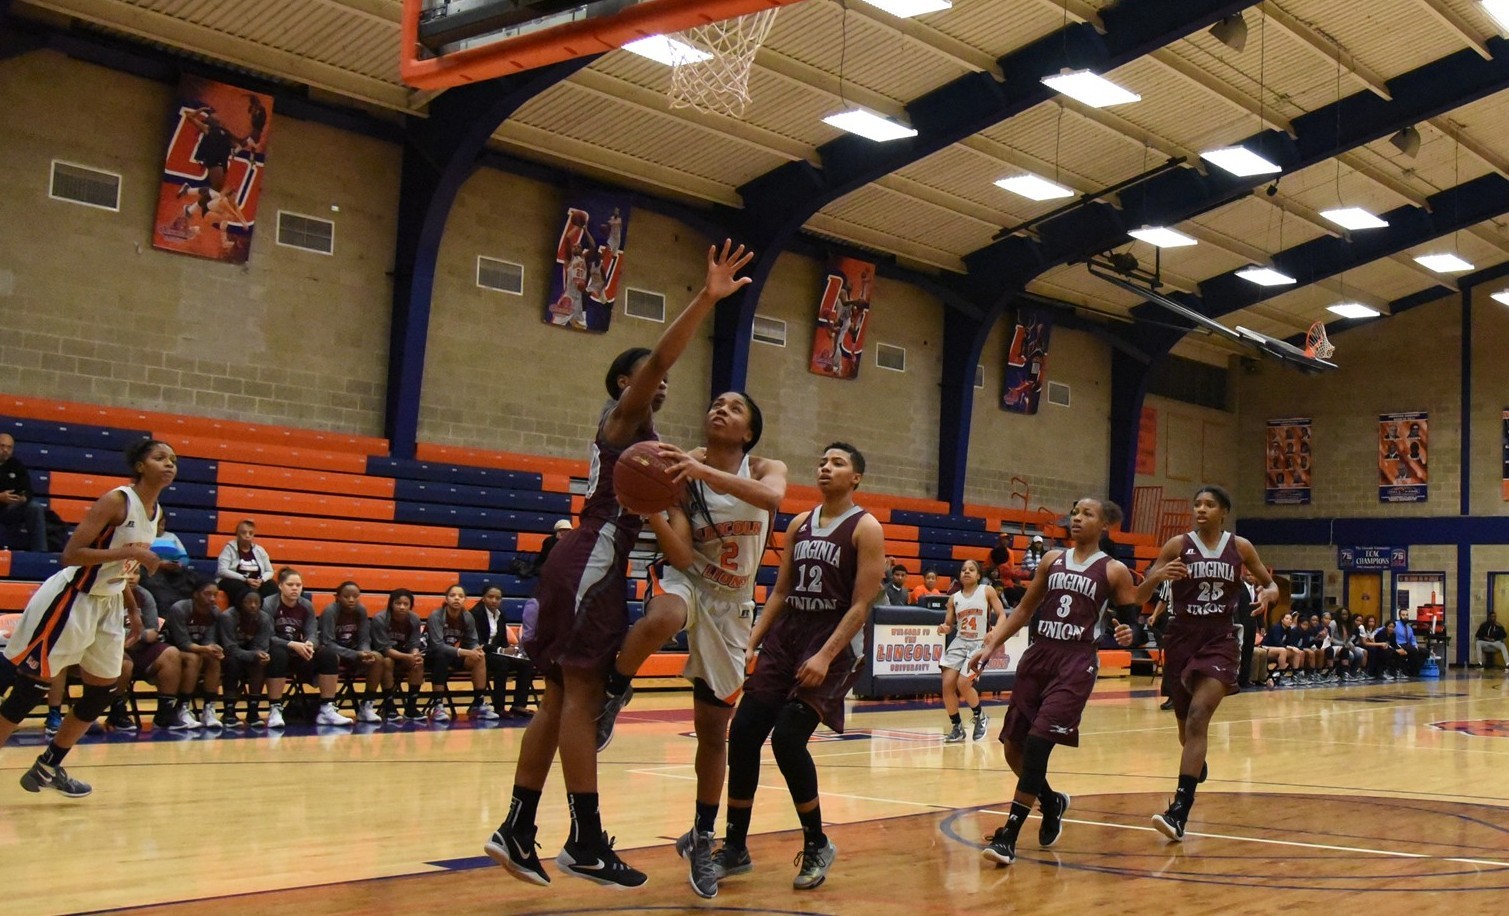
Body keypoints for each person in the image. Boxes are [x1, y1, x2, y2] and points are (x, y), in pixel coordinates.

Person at [485, 239, 754, 890]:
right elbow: (662, 355)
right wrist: (706, 298)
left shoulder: (649, 442)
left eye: (660, 384)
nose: (660, 384)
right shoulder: (623, 416)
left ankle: (518, 827)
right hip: (593, 558)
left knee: (556, 699)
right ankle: (582, 838)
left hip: (588, 560)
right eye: (648, 378)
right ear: (625, 384)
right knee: (580, 696)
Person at [607, 390, 785, 899]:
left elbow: (772, 499)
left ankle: (703, 836)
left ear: (748, 432)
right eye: (716, 403)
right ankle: (614, 689)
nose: (720, 409)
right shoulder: (681, 474)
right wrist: (654, 510)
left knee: (713, 735)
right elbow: (682, 554)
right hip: (692, 581)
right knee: (666, 612)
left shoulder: (767, 466)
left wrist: (699, 472)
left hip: (734, 606)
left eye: (734, 407)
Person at [712, 442, 884, 892]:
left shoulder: (866, 527)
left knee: (788, 739)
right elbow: (782, 592)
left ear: (856, 477)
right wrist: (751, 642)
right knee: (745, 732)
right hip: (787, 638)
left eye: (838, 463)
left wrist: (826, 654)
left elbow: (862, 603)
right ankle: (734, 847)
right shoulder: (798, 524)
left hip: (833, 643)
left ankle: (816, 843)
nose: (826, 468)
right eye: (823, 461)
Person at [0, 438, 175, 796]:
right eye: (160, 458)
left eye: (173, 459)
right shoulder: (117, 501)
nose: (170, 464)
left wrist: (133, 608)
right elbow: (71, 554)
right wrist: (128, 552)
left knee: (103, 691)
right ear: (141, 465)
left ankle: (48, 765)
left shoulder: (156, 512)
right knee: (30, 689)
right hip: (72, 597)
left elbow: (120, 567)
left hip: (108, 603)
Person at [969, 497, 1137, 867]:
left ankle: (1009, 835)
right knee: (1013, 749)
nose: (1076, 519)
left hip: (1075, 662)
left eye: (1086, 514)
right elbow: (1026, 608)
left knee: (1036, 745)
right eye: (1074, 513)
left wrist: (1130, 633)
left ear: (1104, 524)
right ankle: (1050, 801)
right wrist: (991, 643)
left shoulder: (1114, 571)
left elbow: (1133, 622)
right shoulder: (1051, 560)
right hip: (1039, 656)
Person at [1136, 485, 1277, 842]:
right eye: (1197, 504)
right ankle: (1195, 763)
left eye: (1209, 505)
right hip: (1181, 637)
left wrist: (1269, 594)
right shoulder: (1176, 545)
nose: (1201, 509)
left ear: (1223, 512)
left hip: (1220, 639)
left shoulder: (1240, 547)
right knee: (1186, 731)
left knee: (1199, 716)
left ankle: (1179, 811)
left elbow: (1270, 584)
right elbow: (1139, 592)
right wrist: (1159, 576)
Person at [262, 567, 349, 728]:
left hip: (300, 652)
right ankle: (275, 709)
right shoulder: (269, 603)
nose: (295, 588)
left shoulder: (306, 605)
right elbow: (266, 637)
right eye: (290, 584)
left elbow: (312, 633)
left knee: (328, 654)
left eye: (298, 585)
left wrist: (310, 644)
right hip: (277, 651)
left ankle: (326, 708)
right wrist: (292, 644)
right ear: (280, 586)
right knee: (278, 654)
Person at [937, 559, 1001, 743]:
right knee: (947, 685)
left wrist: (995, 631)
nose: (967, 572)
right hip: (959, 642)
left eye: (971, 569)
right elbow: (949, 624)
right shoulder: (953, 598)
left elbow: (1003, 615)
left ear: (979, 575)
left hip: (979, 644)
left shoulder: (987, 591)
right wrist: (944, 628)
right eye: (963, 569)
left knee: (963, 683)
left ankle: (980, 716)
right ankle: (957, 727)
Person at [427, 584, 496, 723]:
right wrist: (465, 652)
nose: (456, 599)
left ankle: (478, 703)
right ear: (446, 599)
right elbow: (437, 645)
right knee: (441, 657)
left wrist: (476, 649)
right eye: (452, 596)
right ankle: (438, 705)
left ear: (465, 599)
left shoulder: (467, 617)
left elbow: (472, 640)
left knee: (479, 658)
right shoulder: (436, 615)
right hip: (432, 655)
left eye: (460, 596)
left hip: (455, 654)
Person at [164, 576, 227, 728]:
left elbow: (209, 640)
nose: (212, 598)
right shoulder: (180, 608)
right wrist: (205, 649)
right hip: (172, 649)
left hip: (198, 649)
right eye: (207, 594)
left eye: (215, 595)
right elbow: (182, 643)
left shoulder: (215, 612)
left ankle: (209, 709)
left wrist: (214, 648)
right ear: (195, 594)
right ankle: (182, 707)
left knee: (214, 658)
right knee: (194, 658)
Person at [320, 581, 384, 724]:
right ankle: (328, 706)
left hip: (353, 653)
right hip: (334, 655)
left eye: (355, 596)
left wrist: (365, 652)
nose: (351, 600)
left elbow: (364, 638)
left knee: (378, 658)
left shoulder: (360, 610)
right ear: (337, 597)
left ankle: (367, 706)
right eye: (346, 596)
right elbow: (327, 643)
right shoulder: (330, 611)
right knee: (331, 656)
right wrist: (356, 654)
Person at [472, 585, 536, 718]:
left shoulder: (501, 615)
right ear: (483, 598)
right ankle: (499, 707)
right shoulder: (475, 614)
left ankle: (519, 705)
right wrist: (501, 650)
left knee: (526, 663)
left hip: (496, 653)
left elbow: (502, 640)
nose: (494, 600)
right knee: (502, 663)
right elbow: (477, 642)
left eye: (497, 598)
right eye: (490, 597)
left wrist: (511, 650)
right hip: (480, 654)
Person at [219, 589, 272, 727]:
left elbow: (261, 645)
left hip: (250, 653)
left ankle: (253, 711)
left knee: (260, 663)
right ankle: (229, 712)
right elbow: (230, 648)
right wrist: (253, 654)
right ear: (240, 604)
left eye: (257, 602)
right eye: (249, 602)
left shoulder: (264, 618)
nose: (253, 605)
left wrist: (261, 655)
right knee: (232, 663)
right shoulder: (228, 616)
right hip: (227, 654)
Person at [372, 588, 426, 721]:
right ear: (391, 604)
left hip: (404, 655)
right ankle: (389, 707)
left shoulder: (414, 619)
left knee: (418, 663)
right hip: (382, 657)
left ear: (410, 606)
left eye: (406, 604)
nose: (402, 607)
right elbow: (385, 649)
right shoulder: (380, 618)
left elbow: (414, 644)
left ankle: (411, 708)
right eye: (398, 603)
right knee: (388, 661)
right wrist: (408, 657)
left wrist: (414, 656)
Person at [0, 433, 50, 552]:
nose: (5, 450)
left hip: (10, 509)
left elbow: (28, 490)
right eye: (2, 446)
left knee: (34, 507)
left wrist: (23, 498)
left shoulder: (16, 465)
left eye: (9, 447)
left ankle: (40, 553)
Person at [217, 519, 275, 608]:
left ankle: (265, 613)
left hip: (256, 581)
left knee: (271, 585)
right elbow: (222, 570)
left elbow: (269, 571)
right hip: (236, 581)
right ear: (237, 534)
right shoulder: (229, 548)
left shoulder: (260, 550)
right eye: (243, 533)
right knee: (239, 587)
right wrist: (245, 579)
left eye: (250, 533)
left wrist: (261, 580)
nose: (247, 536)